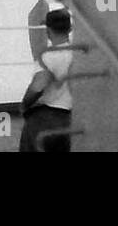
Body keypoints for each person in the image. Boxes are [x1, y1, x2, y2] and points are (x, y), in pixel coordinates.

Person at [19, 8, 76, 152]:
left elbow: (38, 87)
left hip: (48, 119)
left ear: (48, 30)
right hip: (74, 118)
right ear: (70, 28)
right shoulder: (79, 53)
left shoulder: (48, 56)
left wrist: (24, 105)